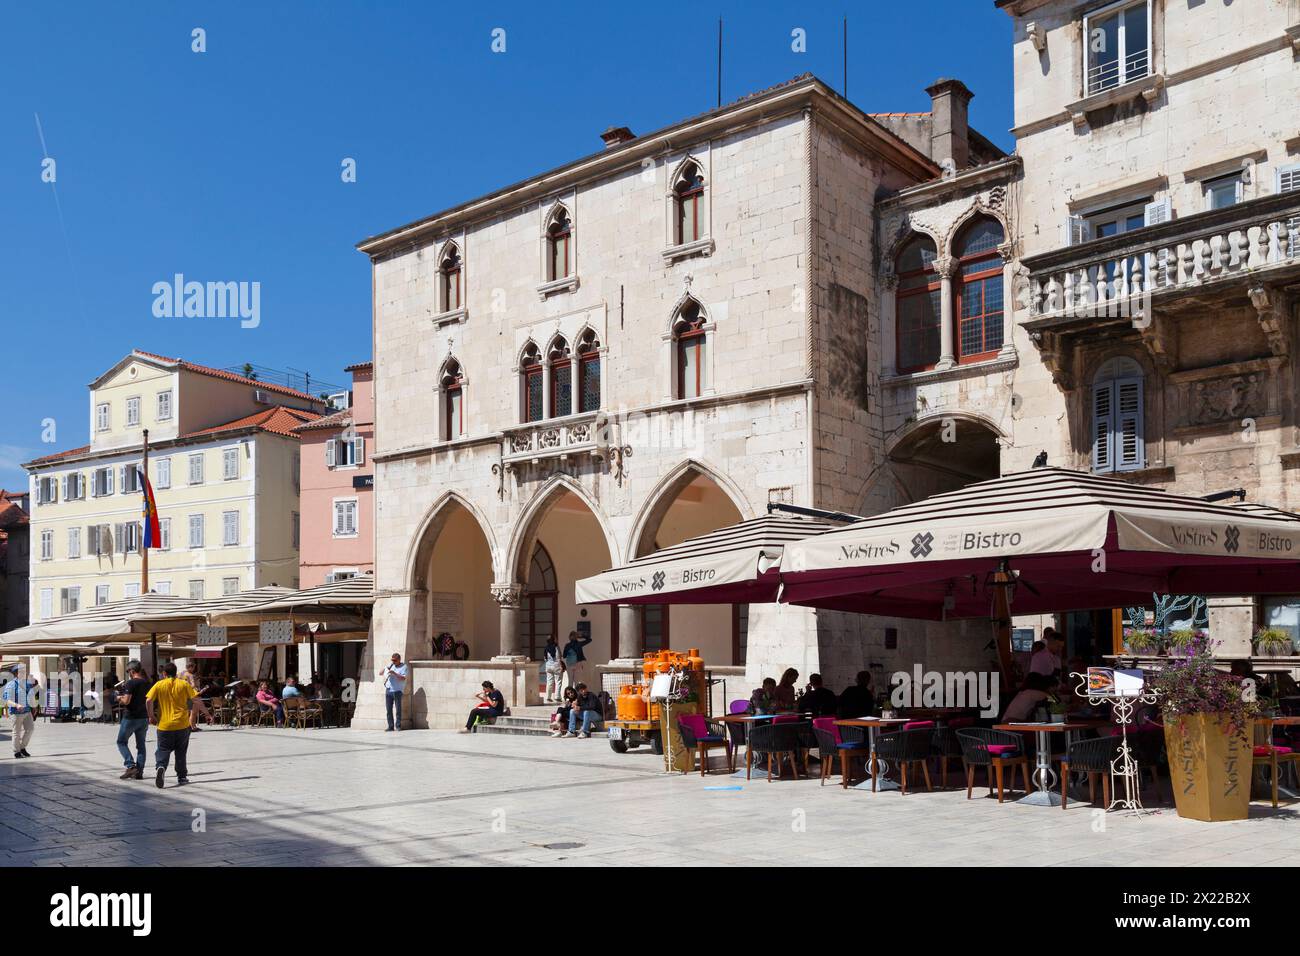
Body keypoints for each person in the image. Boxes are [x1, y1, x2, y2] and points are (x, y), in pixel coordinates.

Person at [146, 662, 208, 788]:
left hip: (164, 725)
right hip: (182, 725)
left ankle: (161, 766)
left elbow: (148, 700)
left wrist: (151, 716)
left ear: (164, 673)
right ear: (176, 673)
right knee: (180, 752)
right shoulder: (184, 684)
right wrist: (207, 714)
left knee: (163, 749)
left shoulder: (159, 684)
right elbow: (196, 700)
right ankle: (182, 777)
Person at [115, 661, 150, 780]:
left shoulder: (131, 683)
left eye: (127, 671)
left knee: (121, 742)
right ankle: (139, 772)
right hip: (144, 717)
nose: (128, 674)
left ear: (132, 671)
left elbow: (126, 701)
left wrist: (118, 697)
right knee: (141, 745)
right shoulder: (147, 683)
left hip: (131, 717)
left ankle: (130, 766)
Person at [2, 664, 38, 758]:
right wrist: (16, 705)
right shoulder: (11, 685)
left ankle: (22, 747)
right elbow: (7, 700)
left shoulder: (27, 684)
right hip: (16, 713)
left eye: (24, 671)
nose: (23, 673)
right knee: (16, 732)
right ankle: (16, 751)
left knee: (30, 729)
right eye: (21, 672)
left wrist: (34, 707)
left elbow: (31, 696)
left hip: (27, 711)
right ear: (16, 673)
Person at [382, 653, 408, 732]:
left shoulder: (404, 667)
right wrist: (384, 669)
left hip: (397, 691)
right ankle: (390, 726)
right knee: (388, 710)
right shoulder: (391, 665)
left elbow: (403, 678)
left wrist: (394, 673)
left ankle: (398, 726)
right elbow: (380, 673)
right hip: (389, 690)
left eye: (395, 660)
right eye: (392, 660)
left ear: (399, 659)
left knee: (398, 709)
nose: (393, 662)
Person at [542, 635, 564, 703]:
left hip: (548, 666)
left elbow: (545, 658)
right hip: (556, 665)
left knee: (549, 682)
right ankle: (557, 697)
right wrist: (561, 666)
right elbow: (559, 657)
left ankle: (548, 697)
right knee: (558, 681)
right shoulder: (556, 647)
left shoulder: (546, 648)